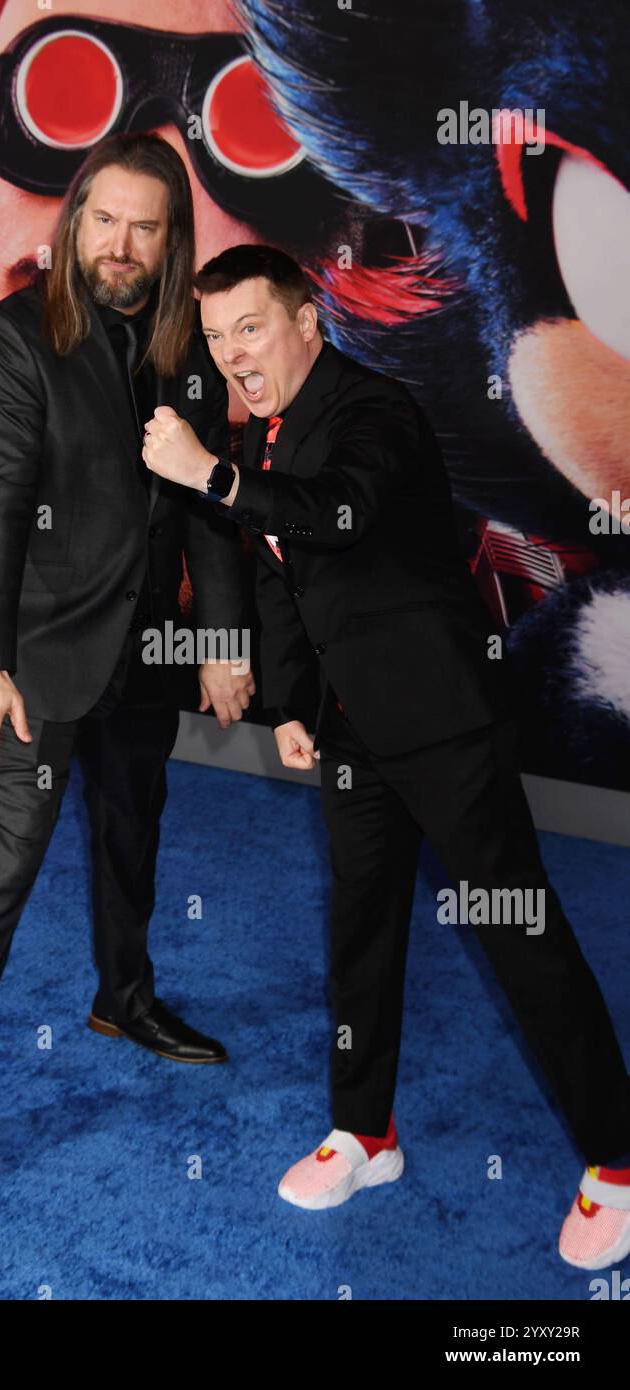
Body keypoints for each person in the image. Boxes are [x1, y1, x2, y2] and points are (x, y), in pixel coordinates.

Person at [141, 242, 630, 1271]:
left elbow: (338, 516)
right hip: (351, 725)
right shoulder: (265, 431)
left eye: (250, 328)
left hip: (445, 722)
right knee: (357, 930)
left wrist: (212, 475)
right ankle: (365, 1132)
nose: (232, 354)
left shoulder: (373, 412)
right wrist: (288, 701)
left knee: (519, 939)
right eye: (218, 336)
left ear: (305, 320)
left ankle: (618, 1161)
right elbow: (280, 572)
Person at [0, 134, 253, 1218]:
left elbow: (207, 508)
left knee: (134, 830)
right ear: (74, 222)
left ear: (171, 242)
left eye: (146, 226)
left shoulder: (187, 348)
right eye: (103, 219)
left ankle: (124, 998)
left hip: (144, 654)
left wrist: (222, 638)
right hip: (31, 661)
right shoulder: (16, 336)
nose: (120, 245)